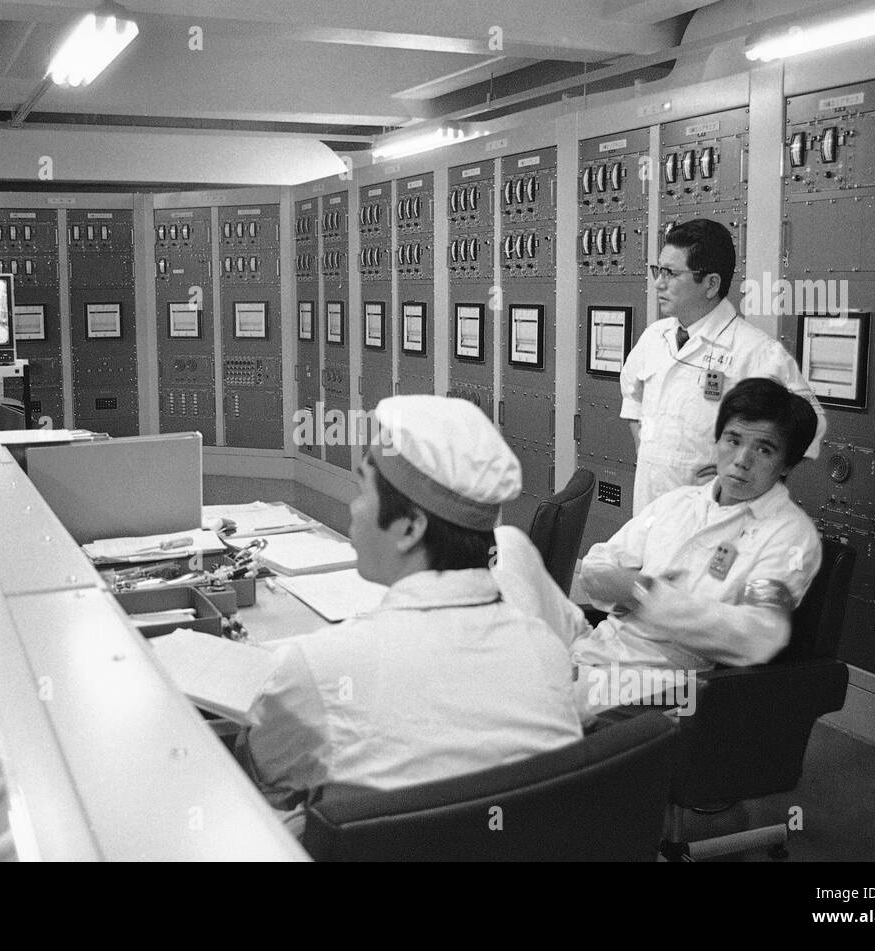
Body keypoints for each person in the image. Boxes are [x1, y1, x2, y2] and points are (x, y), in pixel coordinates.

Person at [238, 395, 584, 823]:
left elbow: (262, 770)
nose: (353, 507)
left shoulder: (323, 668)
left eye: (361, 488)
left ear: (409, 527)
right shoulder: (545, 651)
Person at [572, 378, 823, 719]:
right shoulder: (678, 504)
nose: (742, 460)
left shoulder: (789, 536)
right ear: (717, 440)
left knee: (537, 716)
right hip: (600, 652)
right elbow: (600, 563)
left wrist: (644, 593)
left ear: (788, 465)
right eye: (733, 440)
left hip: (677, 687)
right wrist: (626, 590)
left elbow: (758, 634)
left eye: (764, 449)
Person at [621, 219, 826, 513]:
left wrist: (742, 477)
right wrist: (646, 448)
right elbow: (632, 395)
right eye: (658, 270)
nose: (658, 283)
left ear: (711, 284)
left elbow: (811, 427)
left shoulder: (754, 351)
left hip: (713, 514)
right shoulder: (655, 337)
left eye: (671, 273)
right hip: (649, 509)